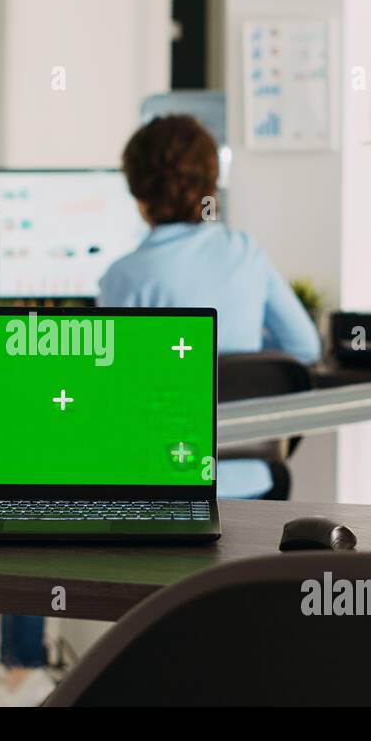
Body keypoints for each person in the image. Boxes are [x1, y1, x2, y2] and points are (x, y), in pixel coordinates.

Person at [99, 114, 321, 499]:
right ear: (210, 184)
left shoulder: (125, 277)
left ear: (138, 195)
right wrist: (245, 348)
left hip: (165, 485)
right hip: (256, 481)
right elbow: (305, 347)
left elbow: (113, 391)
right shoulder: (244, 252)